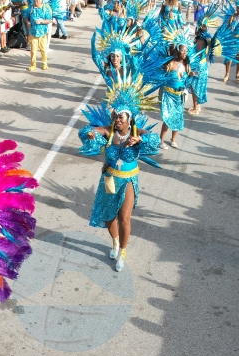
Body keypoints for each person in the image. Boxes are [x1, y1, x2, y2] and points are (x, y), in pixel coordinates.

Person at [80, 109, 160, 272]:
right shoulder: (108, 131)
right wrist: (89, 134)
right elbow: (87, 130)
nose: (117, 120)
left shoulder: (137, 132)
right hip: (110, 179)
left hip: (129, 179)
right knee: (109, 217)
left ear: (129, 119)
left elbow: (154, 139)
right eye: (115, 117)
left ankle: (122, 252)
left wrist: (140, 139)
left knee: (124, 218)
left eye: (121, 117)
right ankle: (115, 243)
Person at [159, 43, 189, 149]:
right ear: (177, 51)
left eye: (186, 51)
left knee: (177, 118)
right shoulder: (170, 63)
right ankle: (161, 140)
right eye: (182, 51)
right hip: (168, 95)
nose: (185, 53)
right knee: (167, 118)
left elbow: (186, 81)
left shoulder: (186, 65)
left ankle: (173, 140)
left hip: (179, 96)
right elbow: (161, 77)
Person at [221, 3, 239, 84]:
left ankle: (237, 74)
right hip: (232, 39)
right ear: (236, 8)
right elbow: (227, 27)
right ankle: (227, 74)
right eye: (238, 8)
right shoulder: (232, 17)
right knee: (229, 57)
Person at [26, 0, 53, 71]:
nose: (36, 1)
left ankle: (44, 64)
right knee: (33, 50)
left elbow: (49, 20)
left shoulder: (45, 8)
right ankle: (33, 65)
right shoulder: (30, 8)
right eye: (35, 0)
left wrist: (41, 21)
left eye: (38, 0)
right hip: (33, 32)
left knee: (43, 49)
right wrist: (27, 22)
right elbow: (26, 17)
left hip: (43, 32)